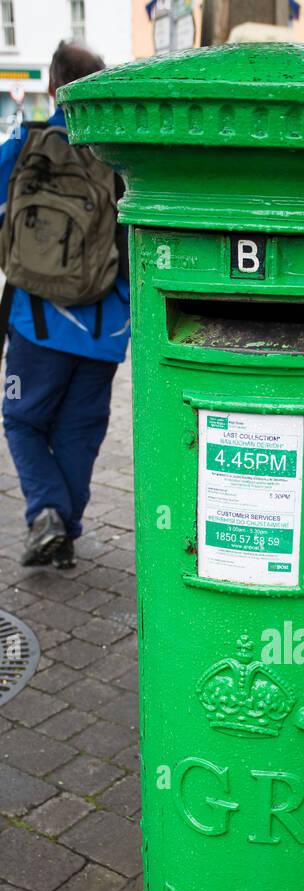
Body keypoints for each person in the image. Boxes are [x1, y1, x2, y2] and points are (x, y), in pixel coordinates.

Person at [0, 41, 130, 568]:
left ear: (54, 89)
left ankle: (48, 516)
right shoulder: (123, 153)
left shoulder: (26, 143)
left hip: (37, 321)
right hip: (106, 326)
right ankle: (63, 530)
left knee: (23, 421)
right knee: (79, 431)